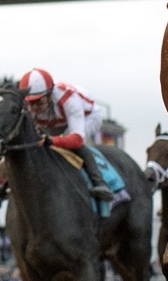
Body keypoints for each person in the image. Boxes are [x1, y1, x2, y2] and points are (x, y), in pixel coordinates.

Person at [18, 68, 113, 200]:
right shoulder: (27, 105)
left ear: (50, 94)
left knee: (69, 142)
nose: (35, 107)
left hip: (88, 116)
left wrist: (51, 141)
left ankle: (99, 182)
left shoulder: (68, 99)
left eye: (39, 101)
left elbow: (77, 139)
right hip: (57, 120)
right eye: (31, 102)